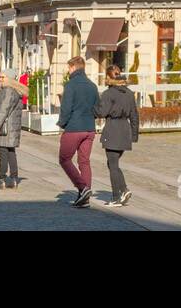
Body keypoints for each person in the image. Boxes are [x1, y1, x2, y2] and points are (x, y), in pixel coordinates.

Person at [55, 56, 99, 207]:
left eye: (69, 68)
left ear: (73, 67)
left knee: (64, 159)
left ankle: (83, 187)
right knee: (84, 161)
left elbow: (66, 108)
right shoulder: (93, 86)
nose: (68, 70)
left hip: (74, 128)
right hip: (89, 129)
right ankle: (84, 199)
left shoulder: (71, 85)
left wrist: (62, 123)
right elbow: (97, 108)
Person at [94, 64, 139, 206]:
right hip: (125, 130)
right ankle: (123, 190)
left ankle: (116, 196)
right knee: (113, 163)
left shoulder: (109, 94)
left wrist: (92, 107)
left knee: (113, 164)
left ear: (108, 77)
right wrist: (134, 135)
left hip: (113, 129)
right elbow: (134, 115)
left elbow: (101, 112)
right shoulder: (129, 93)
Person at [0, 73, 27, 189]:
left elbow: (3, 110)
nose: (0, 79)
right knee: (11, 152)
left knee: (3, 153)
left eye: (3, 77)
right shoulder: (15, 91)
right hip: (11, 128)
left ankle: (2, 179)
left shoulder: (8, 91)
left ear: (9, 79)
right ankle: (14, 179)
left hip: (5, 128)